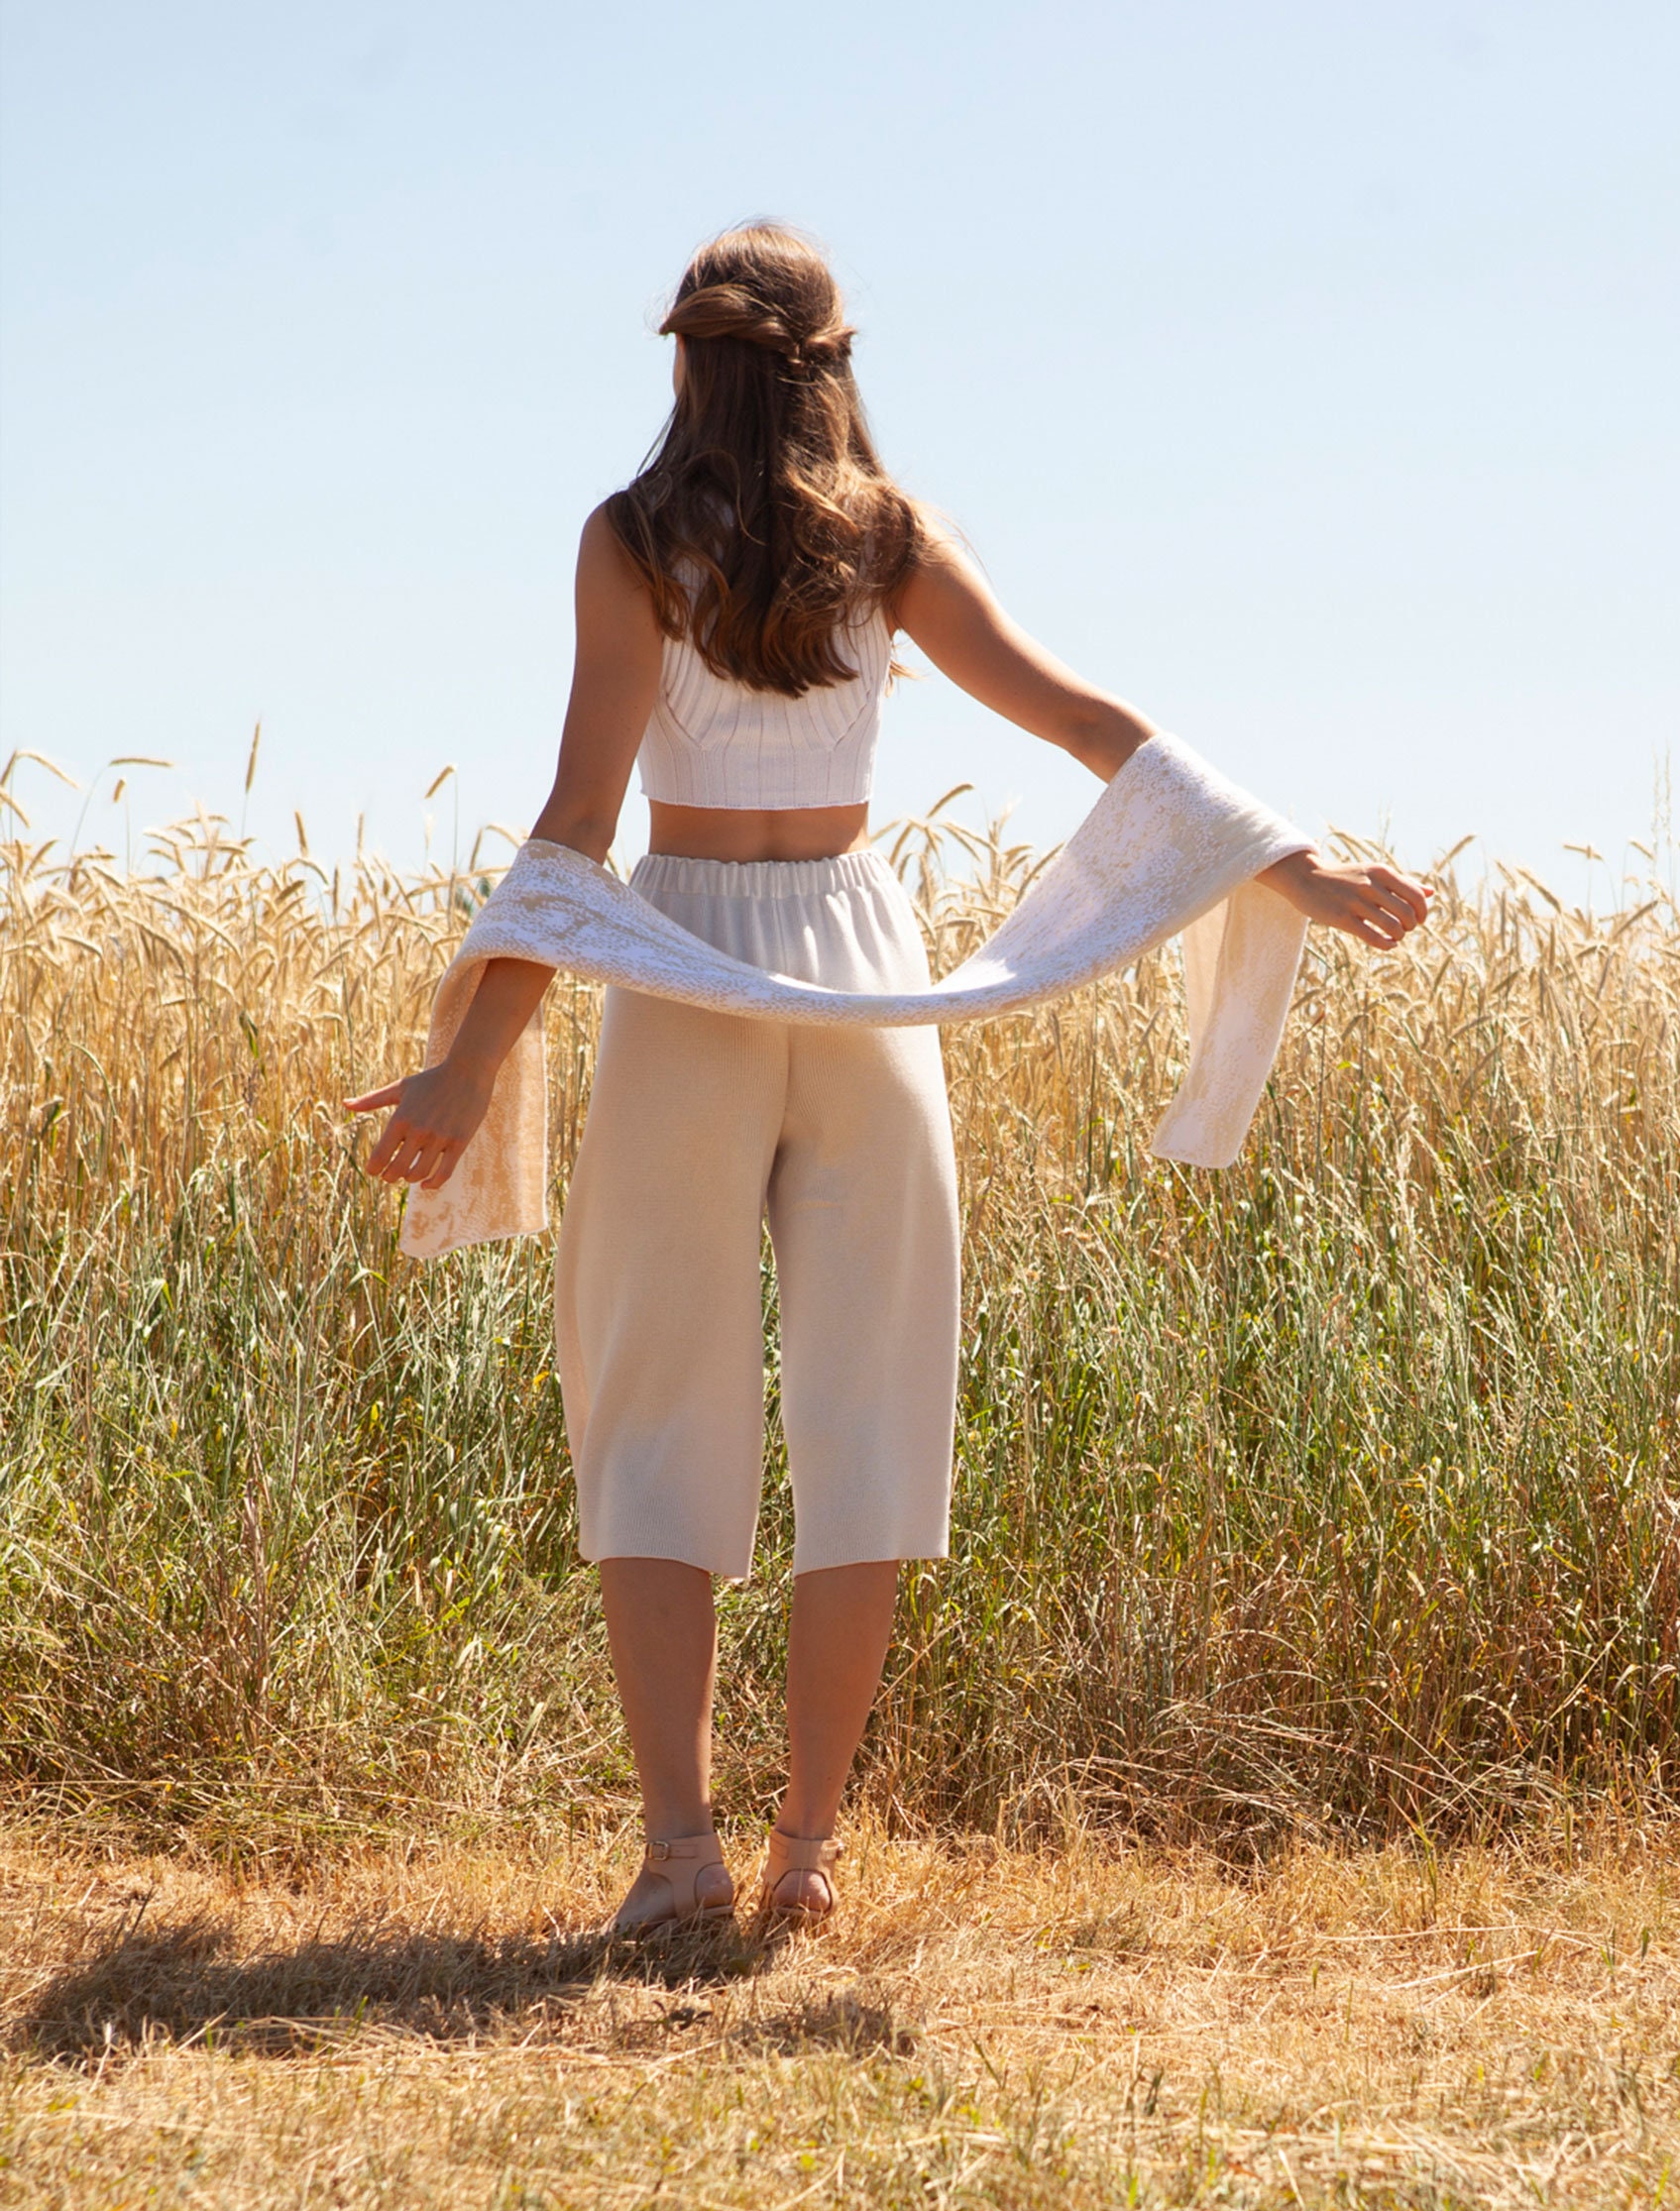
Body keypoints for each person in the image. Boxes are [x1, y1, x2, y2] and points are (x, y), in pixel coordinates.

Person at [349, 222, 1431, 1935]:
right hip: (864, 963)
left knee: (652, 1414)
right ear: (832, 362)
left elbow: (574, 821)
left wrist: (467, 1064)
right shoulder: (891, 537)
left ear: (688, 360)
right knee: (874, 1406)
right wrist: (1289, 865)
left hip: (688, 965)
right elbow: (1089, 722)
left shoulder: (630, 541)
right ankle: (803, 1859)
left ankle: (678, 1858)